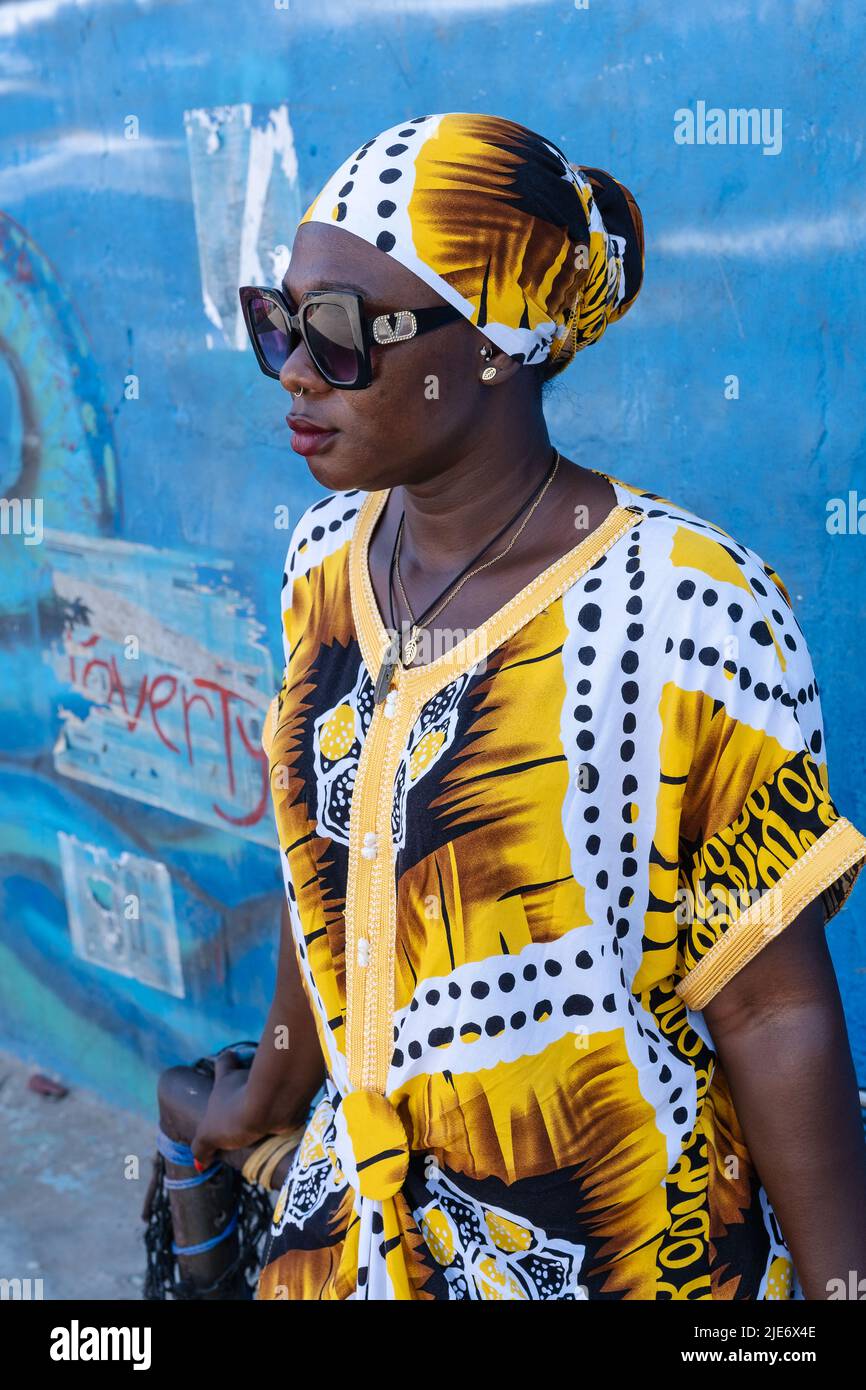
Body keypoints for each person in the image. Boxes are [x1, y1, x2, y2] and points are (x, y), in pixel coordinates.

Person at [190, 112, 866, 1300]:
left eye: (341, 334)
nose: (294, 368)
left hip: (616, 1253)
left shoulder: (687, 607)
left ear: (494, 342)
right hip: (352, 1242)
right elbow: (332, 879)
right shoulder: (322, 564)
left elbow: (768, 1007)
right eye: (278, 321)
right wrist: (266, 1094)